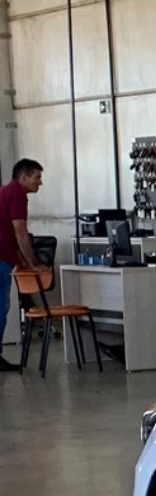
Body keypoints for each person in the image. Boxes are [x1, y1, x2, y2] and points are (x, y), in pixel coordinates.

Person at [0, 158, 48, 373]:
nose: (40, 183)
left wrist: (19, 259)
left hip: (6, 256)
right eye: (37, 177)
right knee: (1, 308)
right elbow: (20, 232)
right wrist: (34, 264)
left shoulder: (5, 192)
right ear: (23, 177)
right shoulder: (17, 195)